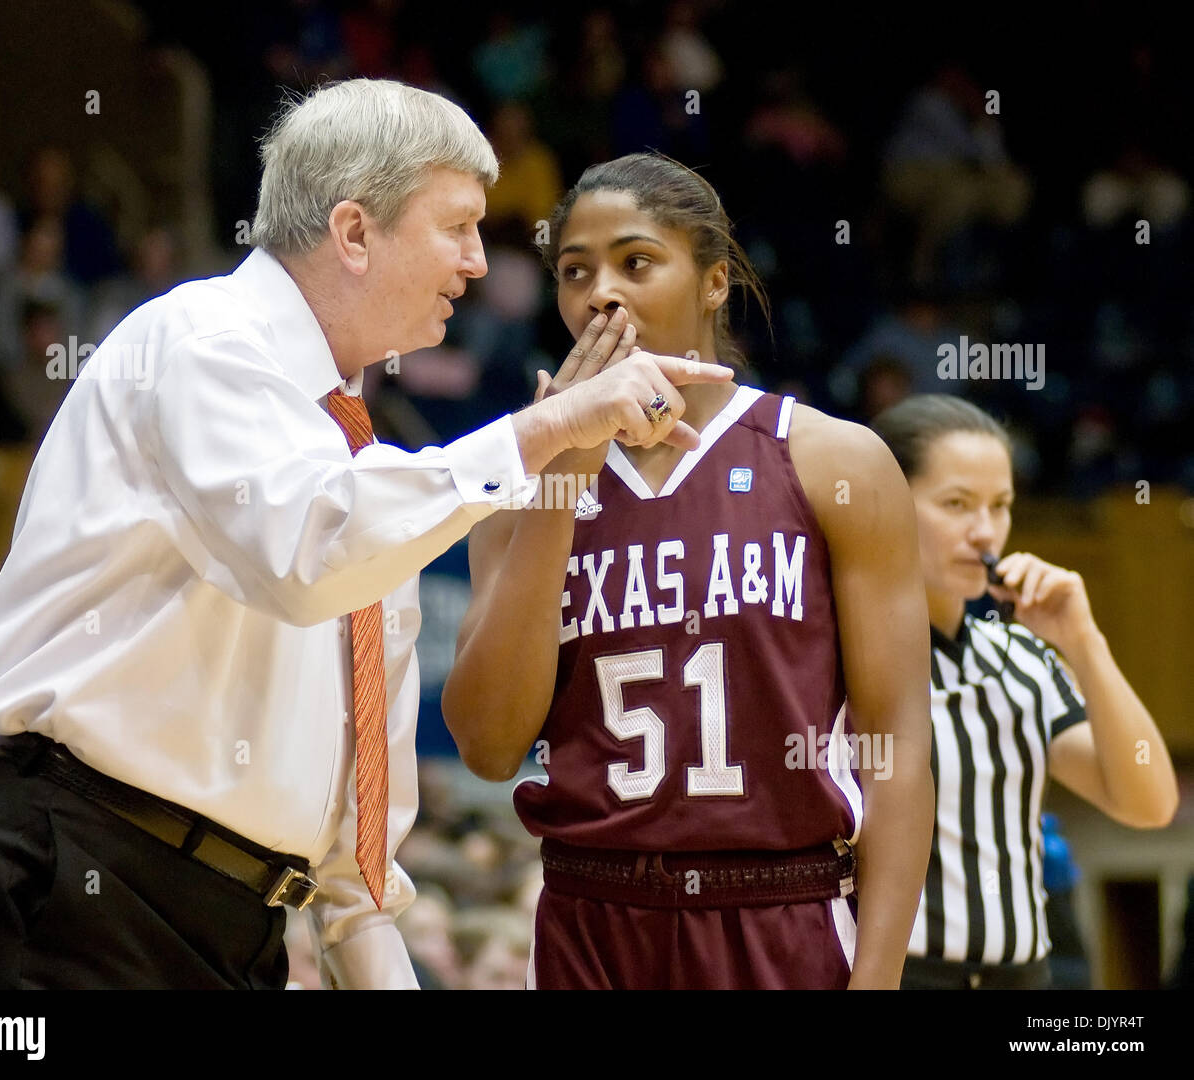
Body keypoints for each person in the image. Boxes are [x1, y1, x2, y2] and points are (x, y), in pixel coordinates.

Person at [0, 80, 732, 991]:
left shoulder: (368, 470)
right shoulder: (200, 342)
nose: (477, 262)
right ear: (354, 232)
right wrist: (547, 431)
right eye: (457, 226)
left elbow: (356, 867)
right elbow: (309, 554)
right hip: (73, 873)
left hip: (242, 921)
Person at [442, 153, 936, 990]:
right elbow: (489, 746)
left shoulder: (831, 461)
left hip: (780, 909)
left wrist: (879, 979)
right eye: (574, 271)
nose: (601, 292)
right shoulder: (517, 476)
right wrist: (566, 471)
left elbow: (896, 750)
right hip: (591, 919)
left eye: (636, 263)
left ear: (713, 283)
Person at [870, 394, 1178, 990]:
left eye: (1000, 506)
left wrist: (1082, 642)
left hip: (1026, 979)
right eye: (957, 504)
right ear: (886, 500)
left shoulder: (1021, 658)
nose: (985, 532)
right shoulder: (844, 658)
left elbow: (1149, 804)